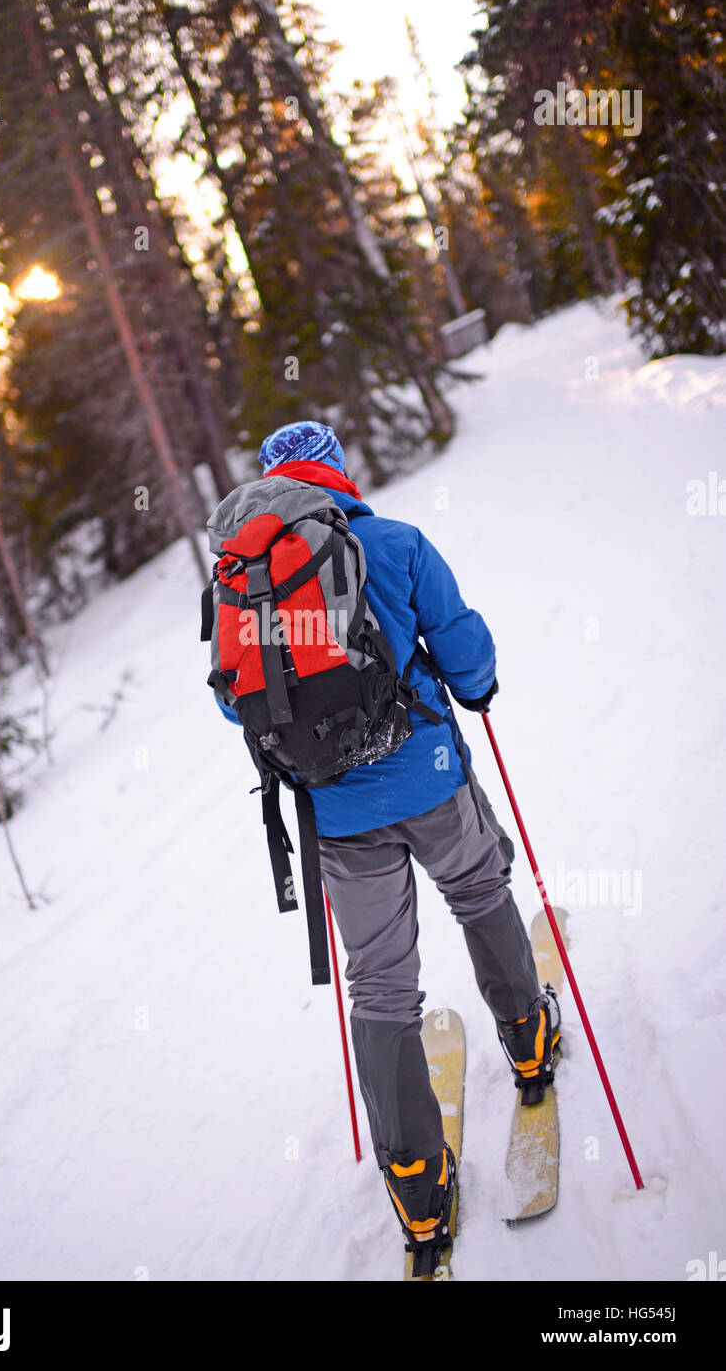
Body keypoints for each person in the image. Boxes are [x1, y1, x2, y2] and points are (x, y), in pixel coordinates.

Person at [214, 420, 560, 1262]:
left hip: (332, 811)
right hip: (429, 776)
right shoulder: (395, 543)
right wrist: (476, 690)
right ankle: (526, 1039)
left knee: (378, 985)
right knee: (478, 892)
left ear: (271, 490)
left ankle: (414, 1181)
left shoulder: (240, 581)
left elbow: (233, 702)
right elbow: (463, 645)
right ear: (335, 473)